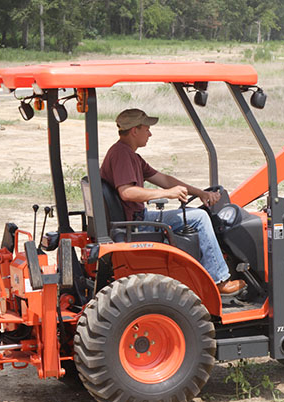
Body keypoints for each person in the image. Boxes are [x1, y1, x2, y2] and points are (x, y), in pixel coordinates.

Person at [100, 108, 245, 296]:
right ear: (135, 130)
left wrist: (199, 192)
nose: (150, 134)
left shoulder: (130, 155)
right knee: (200, 217)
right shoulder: (122, 155)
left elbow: (165, 179)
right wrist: (168, 194)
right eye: (147, 129)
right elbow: (127, 192)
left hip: (134, 218)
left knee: (195, 215)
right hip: (136, 222)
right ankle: (219, 280)